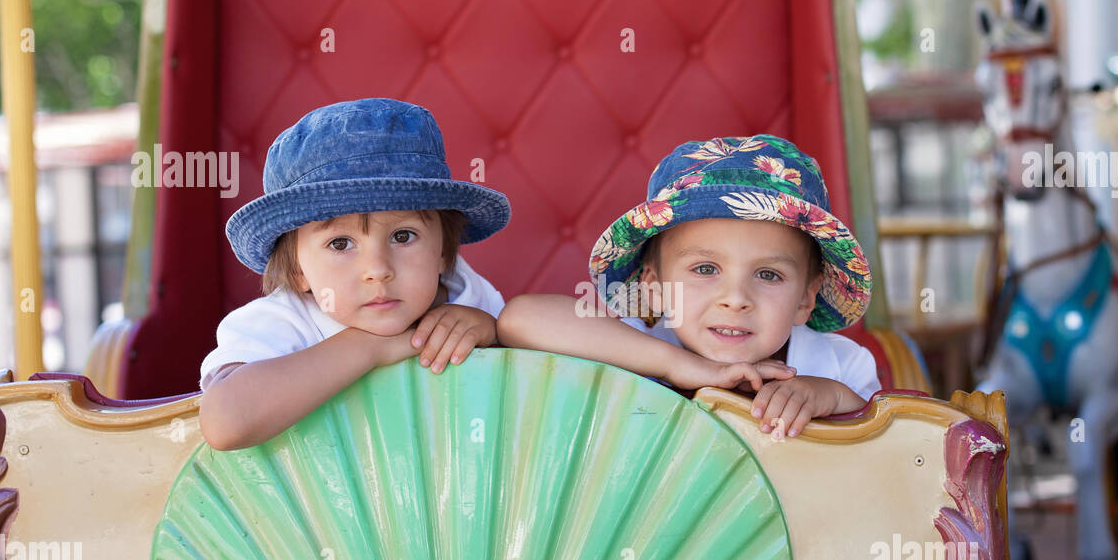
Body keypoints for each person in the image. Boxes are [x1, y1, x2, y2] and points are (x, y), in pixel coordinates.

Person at [497, 134, 879, 438]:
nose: (735, 299)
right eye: (706, 268)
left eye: (768, 275)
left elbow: (892, 459)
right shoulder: (638, 344)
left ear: (806, 298)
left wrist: (838, 401)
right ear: (655, 288)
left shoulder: (841, 367)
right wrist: (677, 365)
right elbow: (521, 319)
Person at [199, 98, 510, 451]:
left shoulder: (466, 295)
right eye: (340, 244)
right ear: (299, 270)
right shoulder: (283, 320)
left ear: (442, 253)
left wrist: (492, 332)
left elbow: (531, 393)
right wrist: (368, 348)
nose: (378, 270)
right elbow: (225, 422)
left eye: (403, 236)